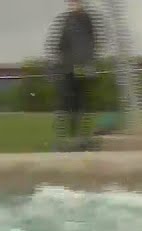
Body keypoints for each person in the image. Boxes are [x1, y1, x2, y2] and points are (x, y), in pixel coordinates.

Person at [47, 0, 100, 146]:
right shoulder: (66, 19)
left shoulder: (87, 19)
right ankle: (68, 136)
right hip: (67, 67)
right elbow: (59, 43)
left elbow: (93, 42)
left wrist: (88, 61)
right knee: (67, 102)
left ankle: (82, 136)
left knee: (82, 101)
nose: (73, 4)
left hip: (82, 66)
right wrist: (57, 61)